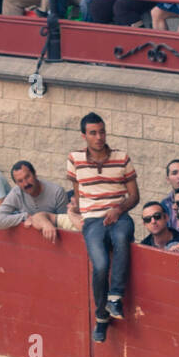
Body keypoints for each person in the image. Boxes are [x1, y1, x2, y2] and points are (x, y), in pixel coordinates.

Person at [68, 112, 138, 343]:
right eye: (93, 133)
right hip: (93, 221)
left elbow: (135, 196)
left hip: (119, 215)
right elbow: (78, 192)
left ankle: (115, 297)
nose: (99, 137)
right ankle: (101, 317)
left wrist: (118, 209)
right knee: (100, 265)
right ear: (84, 136)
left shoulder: (122, 158)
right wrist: (76, 211)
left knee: (121, 239)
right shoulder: (75, 159)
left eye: (102, 132)